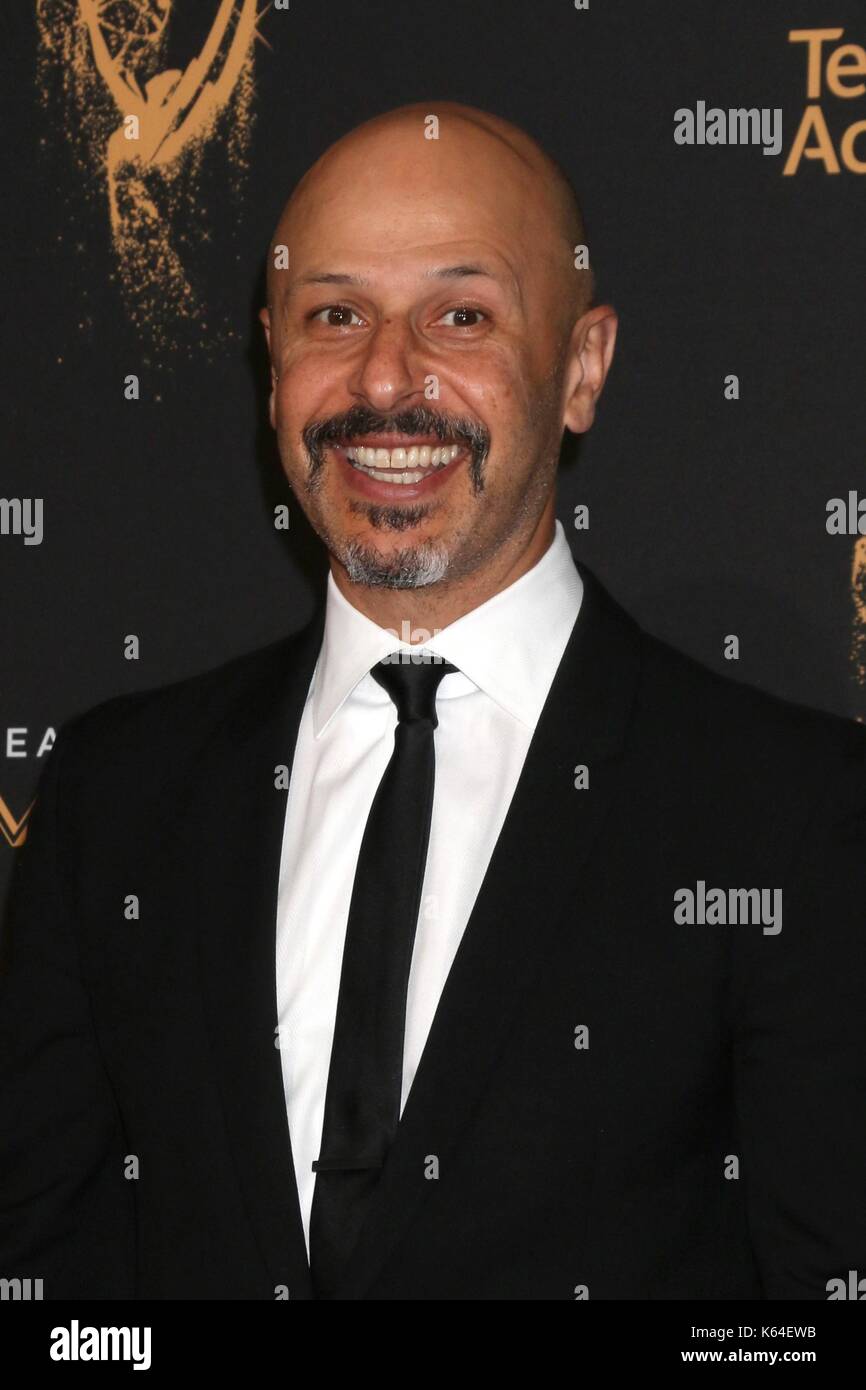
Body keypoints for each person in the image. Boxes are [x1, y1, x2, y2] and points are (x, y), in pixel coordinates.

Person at [1, 102, 865, 1301]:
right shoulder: (120, 793)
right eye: (334, 315)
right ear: (271, 368)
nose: (385, 375)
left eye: (459, 315)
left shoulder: (793, 811)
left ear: (580, 367)